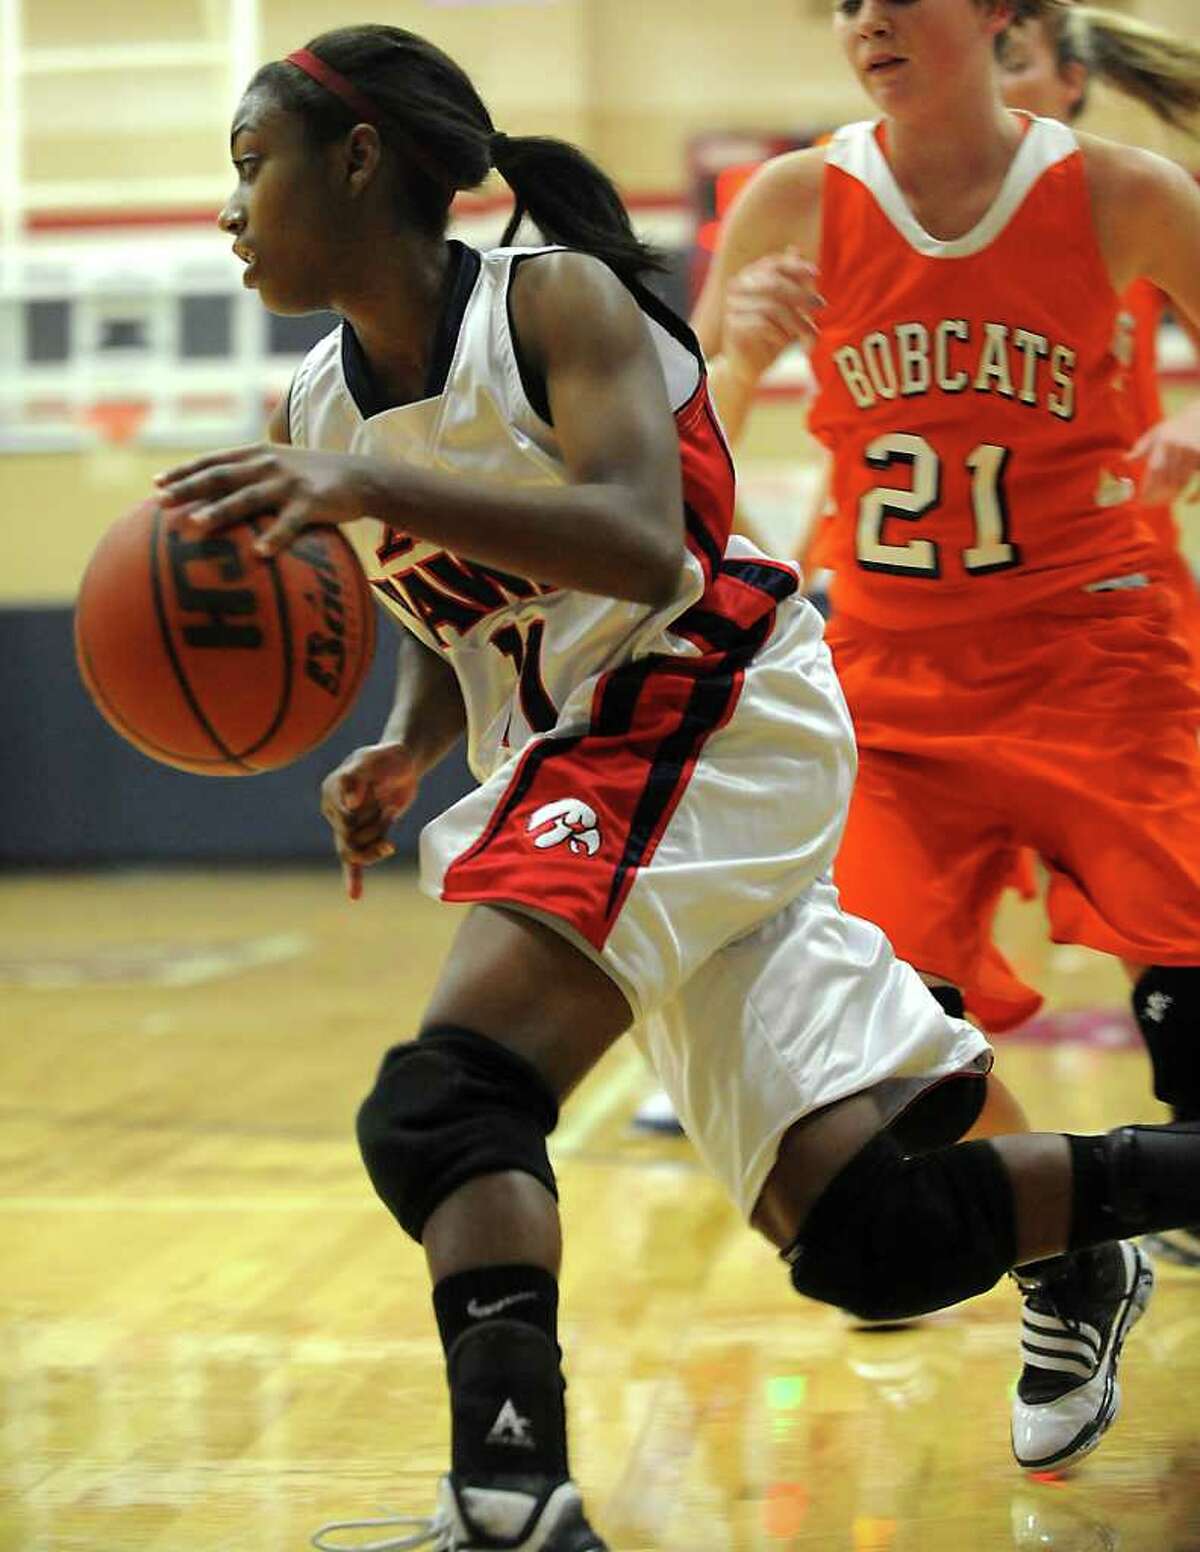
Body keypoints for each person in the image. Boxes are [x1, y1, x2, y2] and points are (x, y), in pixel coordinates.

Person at [156, 24, 1200, 1548]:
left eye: (251, 167)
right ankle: (1095, 1244)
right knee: (874, 1237)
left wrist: (370, 488)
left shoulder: (550, 301)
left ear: (361, 159)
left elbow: (642, 548)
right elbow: (460, 616)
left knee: (449, 1106)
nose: (230, 208)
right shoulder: (319, 409)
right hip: (589, 750)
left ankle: (513, 1502)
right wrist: (403, 742)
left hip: (701, 701)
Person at [691, 0, 1200, 1475]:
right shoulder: (791, 200)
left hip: (1100, 651)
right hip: (894, 685)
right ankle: (1075, 1265)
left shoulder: (1122, 194)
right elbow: (684, 471)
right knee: (891, 1059)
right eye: (841, 1)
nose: (864, 22)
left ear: (999, 17)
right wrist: (736, 365)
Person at [996, 3, 1200, 664]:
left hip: (1123, 571)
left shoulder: (1127, 203)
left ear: (1073, 82)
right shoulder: (908, 214)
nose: (993, 86)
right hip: (964, 598)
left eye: (1014, 63)